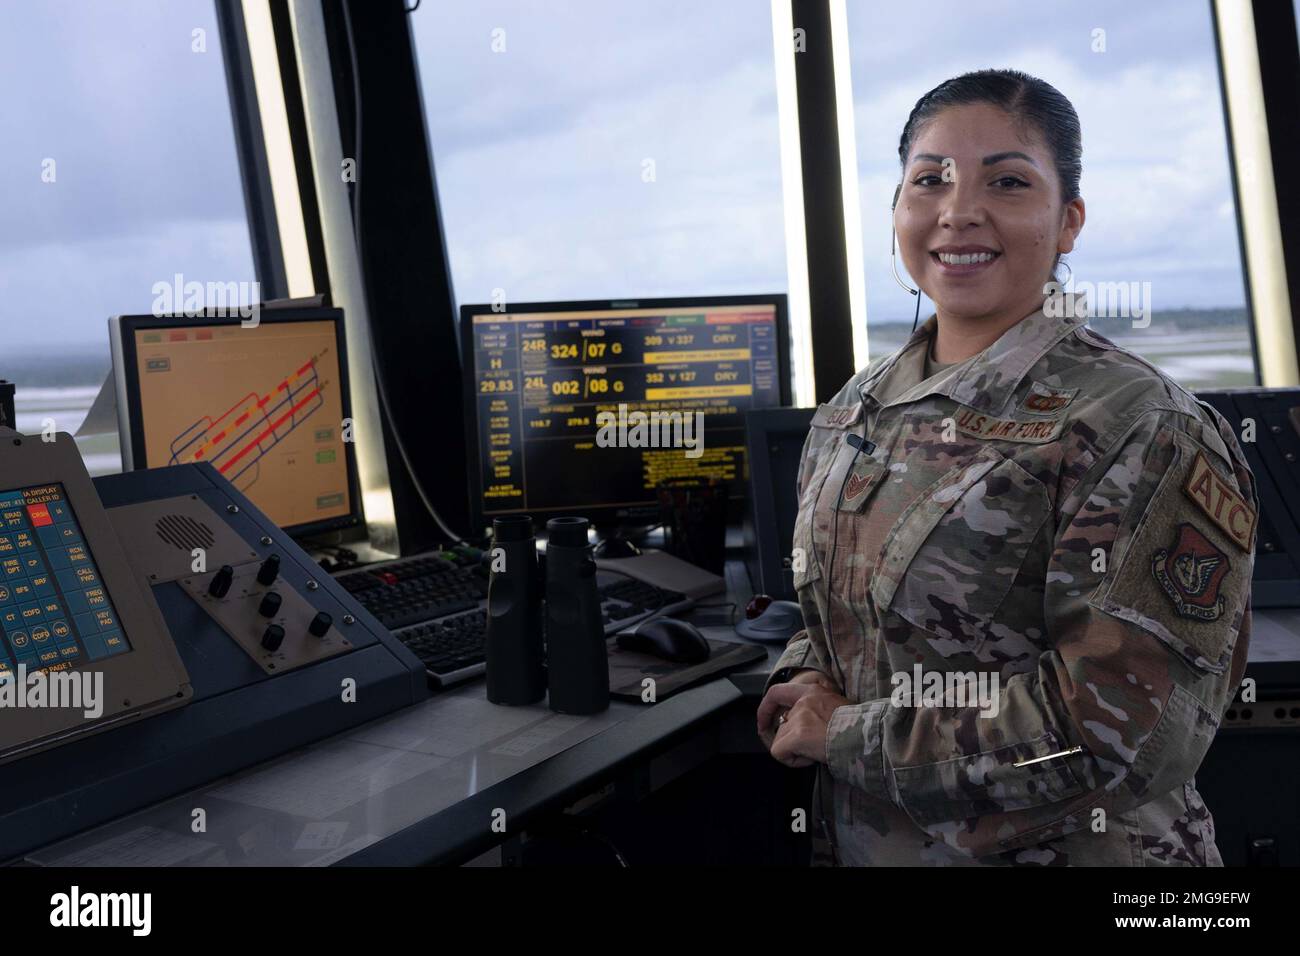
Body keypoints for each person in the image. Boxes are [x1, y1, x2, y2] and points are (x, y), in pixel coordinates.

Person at [756, 68, 1257, 866]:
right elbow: (842, 623)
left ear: (1068, 222)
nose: (959, 211)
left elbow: (1122, 733)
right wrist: (805, 674)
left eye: (1009, 181)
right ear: (898, 211)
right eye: (930, 180)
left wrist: (842, 734)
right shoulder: (856, 409)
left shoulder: (1141, 426)